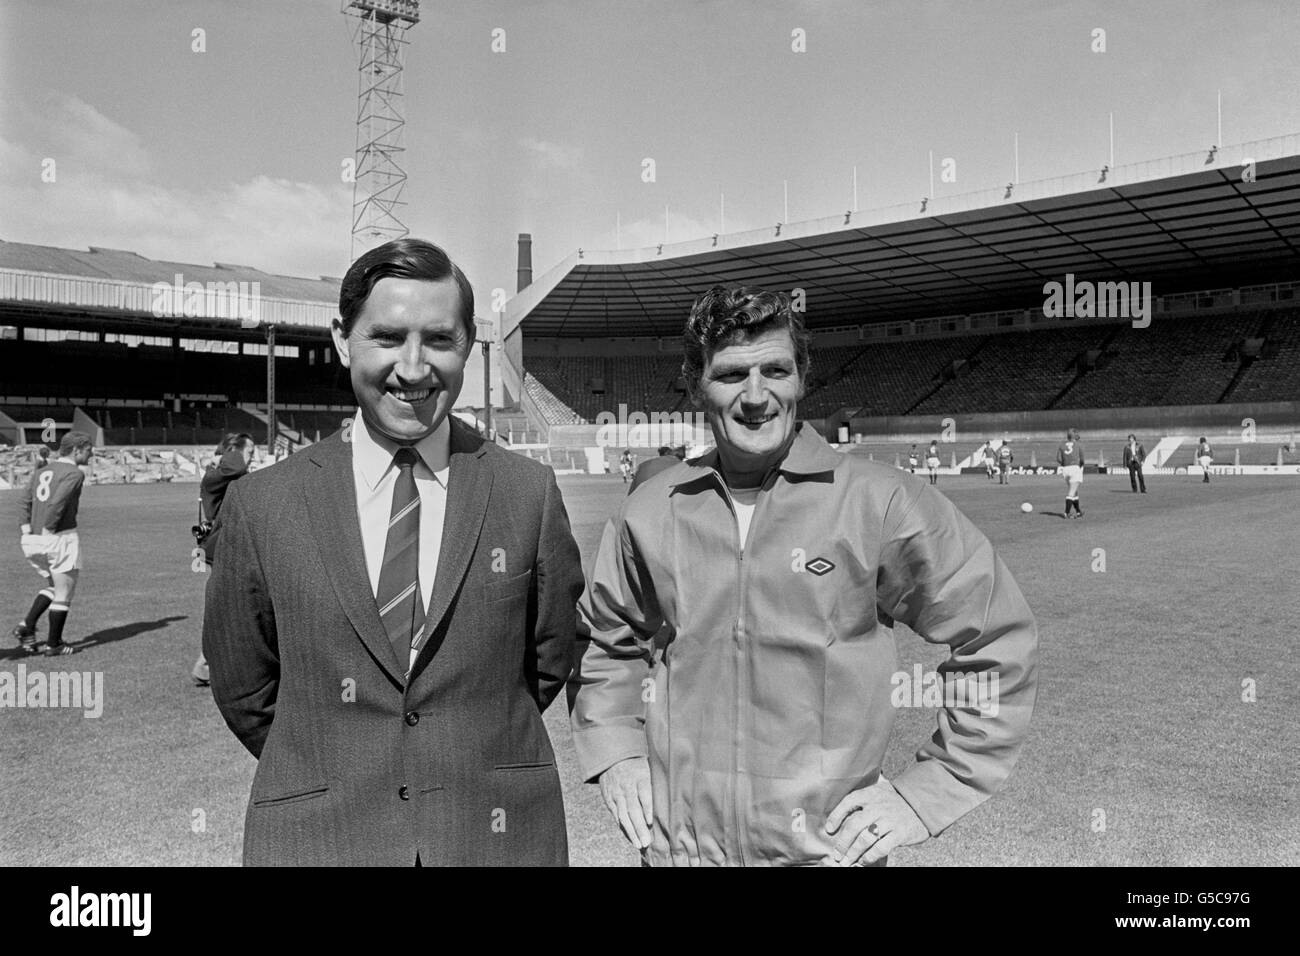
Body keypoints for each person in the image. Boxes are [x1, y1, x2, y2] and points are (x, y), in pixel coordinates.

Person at [569, 285, 1038, 867]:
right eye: (732, 374)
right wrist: (617, 752)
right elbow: (608, 645)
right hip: (678, 855)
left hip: (826, 856)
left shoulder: (880, 502)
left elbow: (996, 638)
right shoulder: (650, 508)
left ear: (802, 377)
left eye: (775, 370)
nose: (756, 396)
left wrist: (925, 797)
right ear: (695, 384)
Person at [203, 238, 585, 866]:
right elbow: (244, 686)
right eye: (387, 337)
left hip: (491, 836)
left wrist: (464, 742)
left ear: (468, 345)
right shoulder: (263, 505)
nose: (413, 368)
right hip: (321, 840)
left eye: (439, 339)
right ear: (341, 338)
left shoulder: (527, 493)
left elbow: (550, 657)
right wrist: (340, 760)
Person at [12, 432, 94, 656]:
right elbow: (59, 501)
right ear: (77, 450)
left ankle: (27, 626)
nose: (92, 454)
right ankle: (53, 644)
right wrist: (50, 527)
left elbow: (24, 501)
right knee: (65, 591)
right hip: (59, 537)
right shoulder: (74, 473)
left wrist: (26, 529)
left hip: (32, 540)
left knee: (54, 585)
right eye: (88, 450)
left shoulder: (42, 470)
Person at [190, 432, 256, 687]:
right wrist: (227, 456)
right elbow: (238, 464)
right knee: (231, 609)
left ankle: (207, 665)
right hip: (225, 550)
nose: (252, 458)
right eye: (250, 451)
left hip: (236, 548)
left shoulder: (227, 473)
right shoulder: (219, 473)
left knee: (237, 607)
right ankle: (206, 665)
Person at [1057, 428, 1085, 518]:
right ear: (1075, 436)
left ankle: (1078, 511)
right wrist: (1079, 466)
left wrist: (1064, 464)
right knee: (1072, 492)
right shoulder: (1078, 445)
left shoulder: (1061, 445)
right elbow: (1082, 459)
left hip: (1065, 469)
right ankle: (1066, 513)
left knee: (1074, 491)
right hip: (1075, 468)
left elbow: (1058, 459)